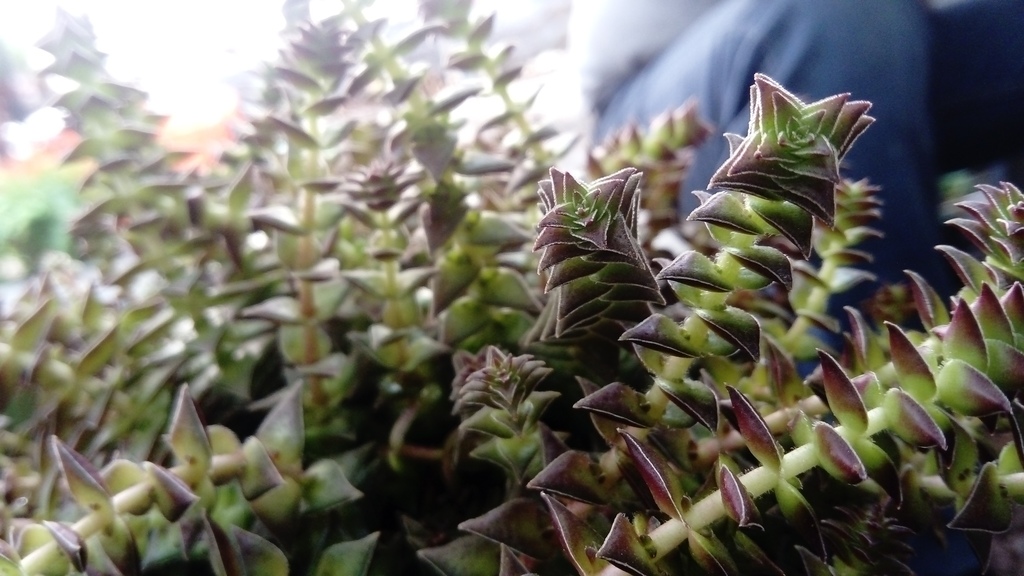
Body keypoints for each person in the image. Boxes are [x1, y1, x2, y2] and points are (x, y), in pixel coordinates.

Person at [570, 1, 1024, 574]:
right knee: (835, 19)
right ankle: (891, 505)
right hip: (676, 88)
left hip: (898, 40)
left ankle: (987, 361)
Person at [570, 0, 1024, 313]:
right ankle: (882, 375)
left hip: (887, 47)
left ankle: (1003, 269)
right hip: (659, 111)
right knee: (836, 18)